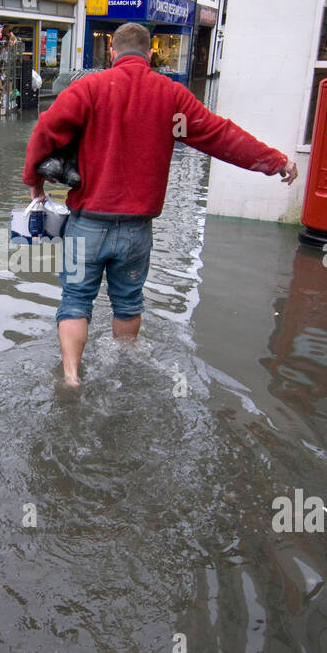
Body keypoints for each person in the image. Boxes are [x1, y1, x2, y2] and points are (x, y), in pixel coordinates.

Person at [22, 21, 298, 387]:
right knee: (128, 303)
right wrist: (275, 161)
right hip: (137, 232)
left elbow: (46, 128)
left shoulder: (89, 87)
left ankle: (71, 376)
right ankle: (125, 372)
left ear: (112, 53)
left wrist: (34, 183)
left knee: (75, 301)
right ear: (151, 54)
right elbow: (220, 135)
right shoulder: (171, 96)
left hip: (87, 223)